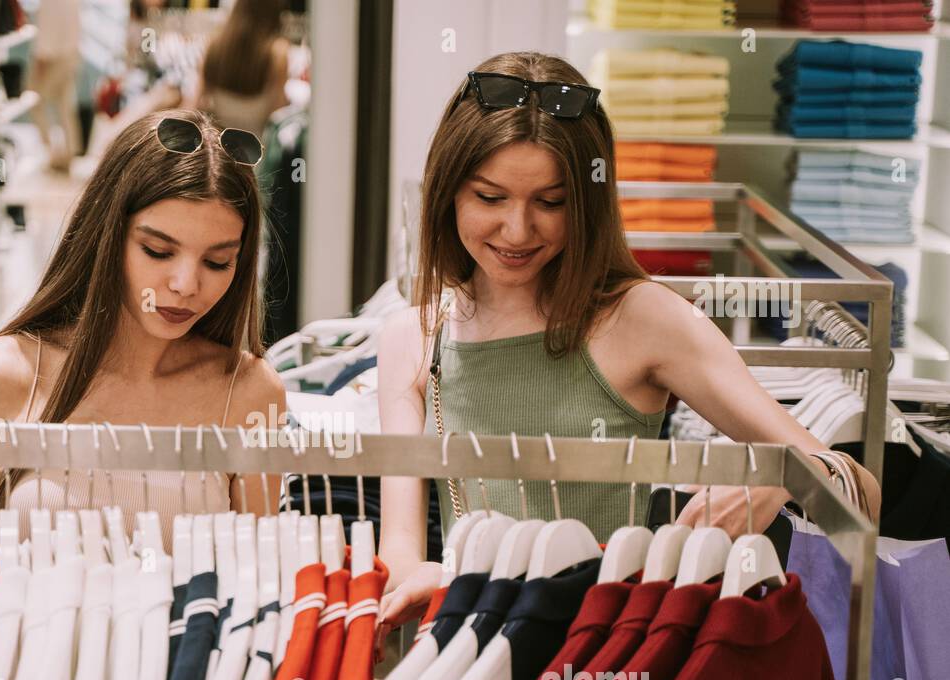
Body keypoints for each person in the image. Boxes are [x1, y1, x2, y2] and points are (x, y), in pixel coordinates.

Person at [375, 52, 880, 635]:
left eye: (551, 202)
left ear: (587, 203)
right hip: (464, 665)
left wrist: (777, 475)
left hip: (611, 667)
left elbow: (859, 492)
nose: (517, 230)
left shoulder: (643, 319)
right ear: (448, 194)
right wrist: (427, 581)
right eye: (490, 198)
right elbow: (403, 557)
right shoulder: (410, 341)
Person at [0, 109, 285, 543]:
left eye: (217, 262)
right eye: (158, 251)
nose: (186, 285)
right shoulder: (11, 373)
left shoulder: (250, 392)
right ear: (107, 236)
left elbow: (256, 585)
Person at [195, 0, 291, 138]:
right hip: (257, 149)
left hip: (219, 146)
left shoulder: (215, 44)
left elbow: (197, 103)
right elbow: (277, 112)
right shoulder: (277, 52)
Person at [28, 0, 84, 173]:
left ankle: (53, 152)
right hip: (72, 53)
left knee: (34, 100)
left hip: (53, 58)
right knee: (64, 104)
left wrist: (40, 63)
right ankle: (67, 153)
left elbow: (47, 35)